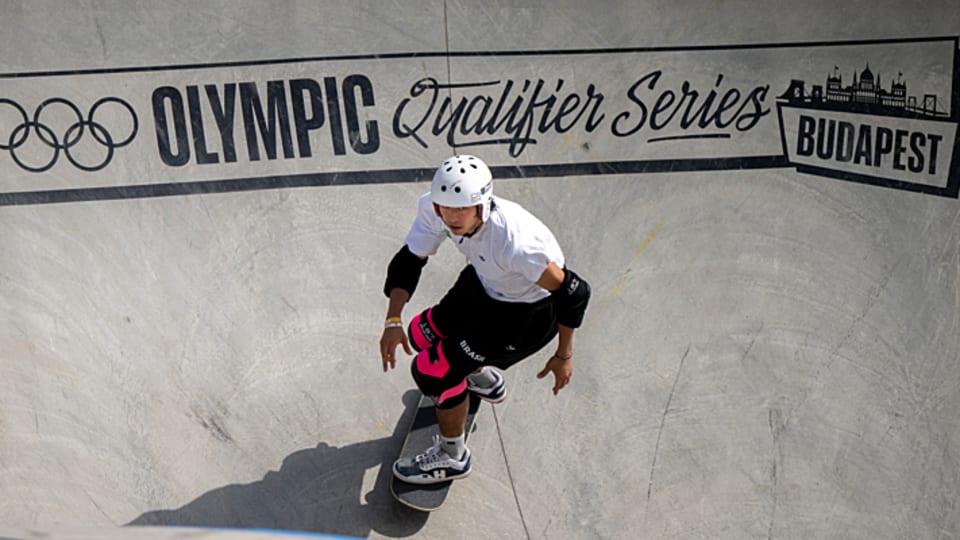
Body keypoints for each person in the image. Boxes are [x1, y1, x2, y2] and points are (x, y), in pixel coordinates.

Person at [379, 155, 590, 485]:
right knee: (420, 334)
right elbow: (409, 260)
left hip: (524, 318)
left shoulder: (516, 244)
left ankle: (452, 456)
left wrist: (564, 355)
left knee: (430, 370)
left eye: (461, 208)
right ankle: (478, 377)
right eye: (444, 207)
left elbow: (574, 294)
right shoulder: (437, 209)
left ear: (482, 204)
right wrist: (392, 320)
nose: (450, 217)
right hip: (482, 283)